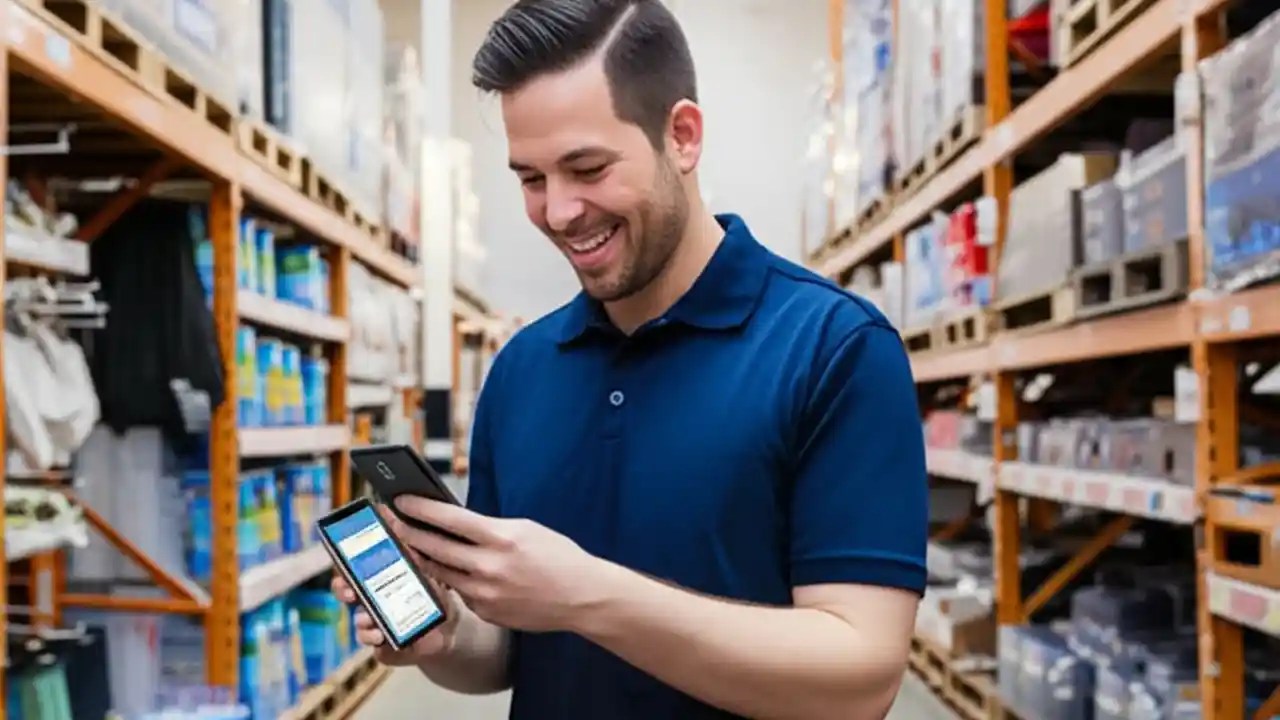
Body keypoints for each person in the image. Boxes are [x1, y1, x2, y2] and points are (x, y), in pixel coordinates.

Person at [331, 1, 928, 717]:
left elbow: (860, 680)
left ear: (682, 136)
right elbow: (510, 650)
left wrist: (585, 595)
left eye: (587, 168)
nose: (559, 212)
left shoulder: (834, 350)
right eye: (531, 178)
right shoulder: (522, 370)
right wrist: (446, 634)